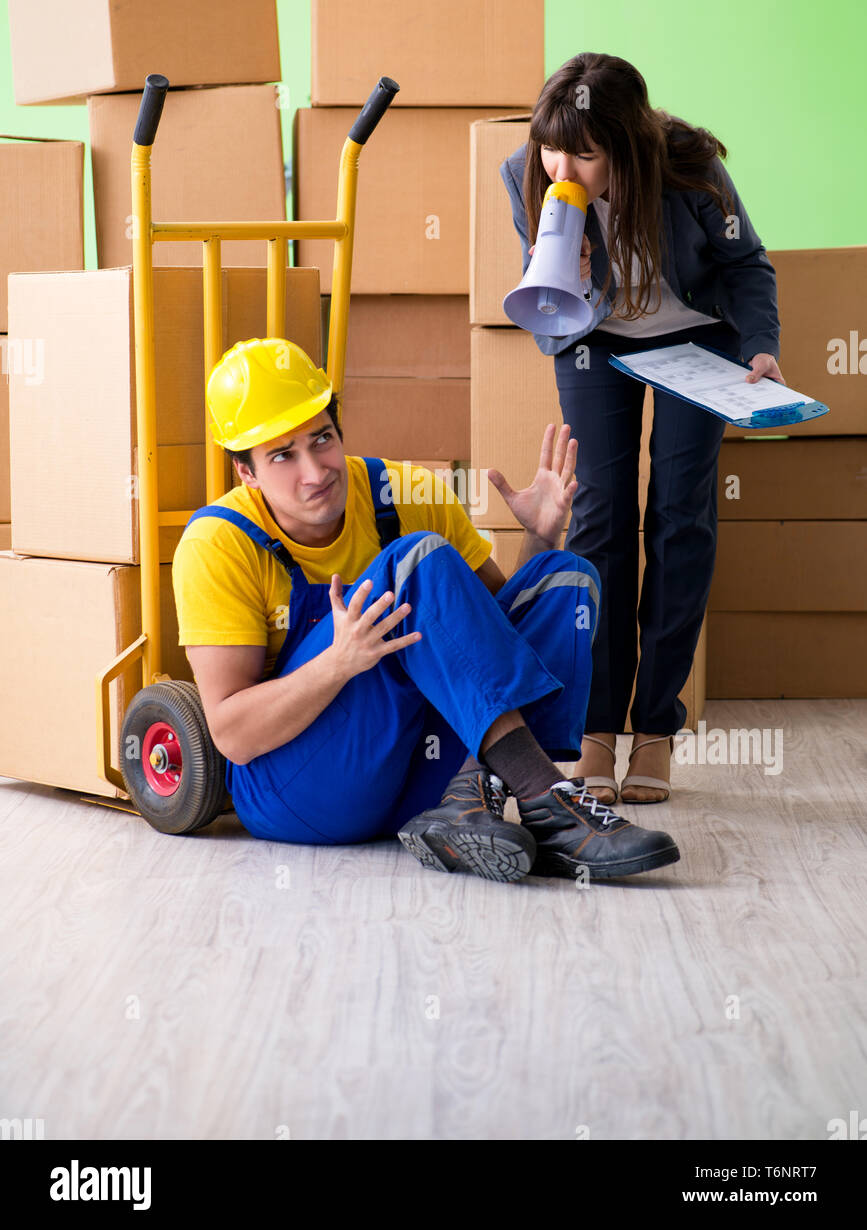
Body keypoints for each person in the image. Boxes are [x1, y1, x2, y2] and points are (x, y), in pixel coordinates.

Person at [171, 336, 681, 884]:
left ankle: (470, 799)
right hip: (301, 790)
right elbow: (231, 736)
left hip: (421, 778)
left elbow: (495, 643)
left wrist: (538, 538)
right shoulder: (219, 544)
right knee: (413, 563)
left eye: (321, 439)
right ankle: (548, 799)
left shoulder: (405, 492)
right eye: (282, 455)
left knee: (563, 581)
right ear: (246, 472)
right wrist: (337, 663)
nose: (315, 471)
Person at [500, 52, 783, 806]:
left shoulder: (690, 169)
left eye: (582, 153)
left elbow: (745, 265)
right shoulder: (524, 173)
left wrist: (759, 344)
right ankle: (595, 728)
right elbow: (545, 316)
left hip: (697, 336)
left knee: (678, 515)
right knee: (599, 517)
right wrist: (572, 273)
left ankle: (655, 726)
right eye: (551, 146)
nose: (559, 163)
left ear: (626, 145)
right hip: (597, 341)